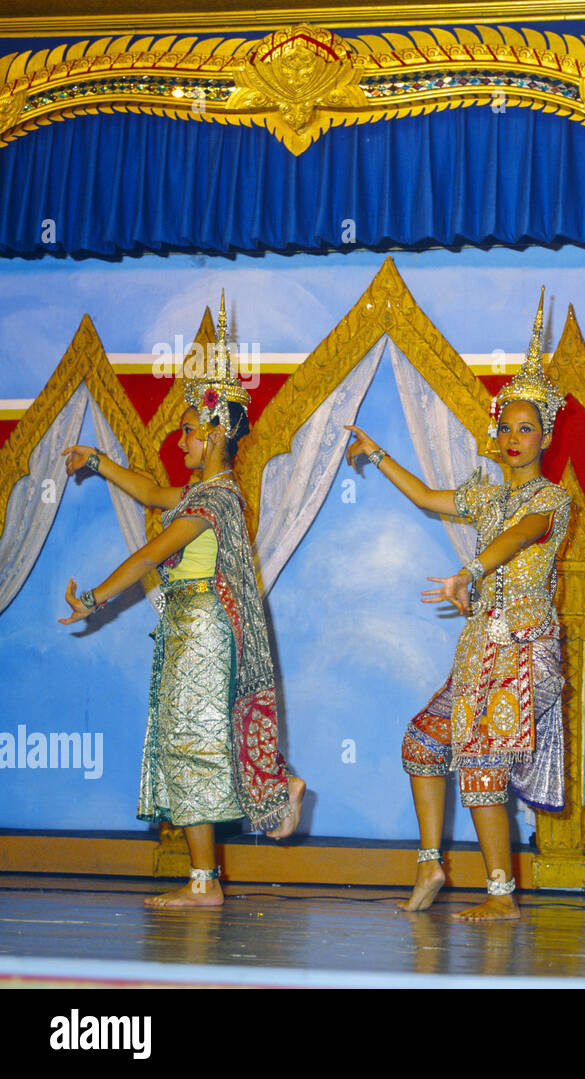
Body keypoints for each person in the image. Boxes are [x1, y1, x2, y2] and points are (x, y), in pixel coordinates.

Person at [61, 295, 305, 909]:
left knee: (193, 745)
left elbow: (147, 557)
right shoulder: (207, 491)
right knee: (186, 743)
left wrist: (94, 598)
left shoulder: (214, 501)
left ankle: (206, 882)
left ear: (219, 430)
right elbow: (149, 490)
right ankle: (214, 868)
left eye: (191, 429)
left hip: (201, 632)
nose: (182, 438)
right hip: (189, 628)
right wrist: (99, 460)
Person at [346, 291, 570, 921]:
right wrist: (377, 453)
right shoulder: (485, 493)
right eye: (506, 427)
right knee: (421, 744)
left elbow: (520, 536)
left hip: (525, 650)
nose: (513, 438)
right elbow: (425, 496)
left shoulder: (550, 502)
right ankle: (430, 862)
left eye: (527, 428)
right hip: (480, 652)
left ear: (545, 435)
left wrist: (471, 569)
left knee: (478, 761)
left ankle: (501, 896)